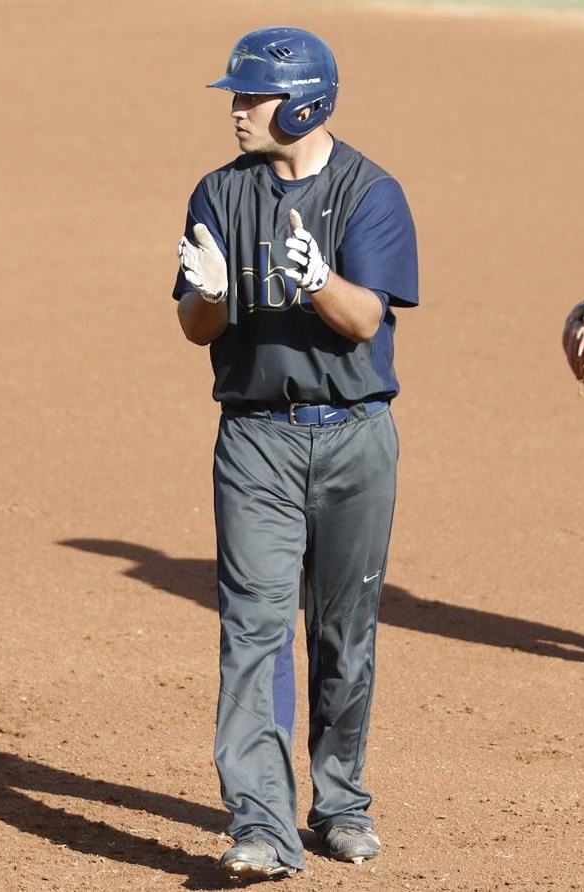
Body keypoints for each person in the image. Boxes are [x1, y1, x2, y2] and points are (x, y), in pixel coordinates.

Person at [171, 26, 418, 879]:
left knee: (344, 633)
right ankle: (264, 827)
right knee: (254, 633)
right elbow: (195, 326)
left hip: (354, 442)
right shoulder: (217, 193)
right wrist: (206, 296)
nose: (238, 112)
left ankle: (340, 801)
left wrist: (318, 283)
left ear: (305, 102)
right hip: (255, 444)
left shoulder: (370, 193)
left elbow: (363, 321)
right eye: (237, 97)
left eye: (252, 97)